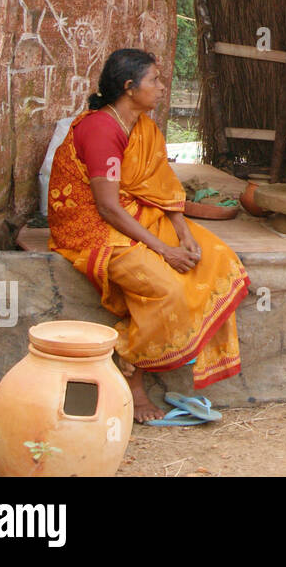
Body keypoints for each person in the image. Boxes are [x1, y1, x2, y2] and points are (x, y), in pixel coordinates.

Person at [48, 49, 250, 422]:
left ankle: (158, 356)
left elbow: (161, 186)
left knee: (217, 258)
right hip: (90, 225)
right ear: (129, 88)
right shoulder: (100, 129)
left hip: (134, 211)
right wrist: (164, 250)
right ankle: (132, 376)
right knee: (166, 288)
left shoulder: (144, 127)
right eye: (154, 80)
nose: (161, 87)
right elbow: (108, 207)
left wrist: (183, 233)